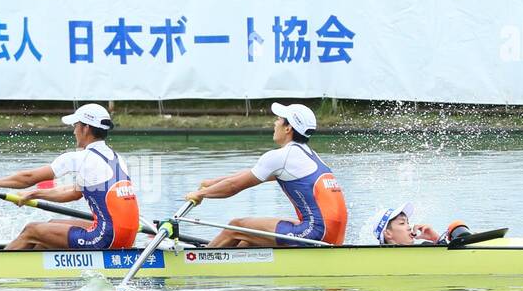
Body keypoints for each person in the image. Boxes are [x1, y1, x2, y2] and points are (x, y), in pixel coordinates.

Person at [0, 103, 140, 251]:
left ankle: (1, 266)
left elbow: (29, 177)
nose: (73, 131)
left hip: (106, 238)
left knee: (31, 230)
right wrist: (34, 194)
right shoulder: (117, 158)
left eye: (75, 126)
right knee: (51, 226)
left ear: (85, 128)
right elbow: (73, 193)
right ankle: (39, 268)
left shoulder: (81, 157)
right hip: (126, 237)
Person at [183, 103, 347, 248]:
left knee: (235, 227)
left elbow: (234, 186)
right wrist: (211, 182)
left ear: (288, 128)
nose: (274, 123)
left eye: (278, 119)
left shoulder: (282, 156)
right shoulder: (308, 155)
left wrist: (200, 194)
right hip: (333, 234)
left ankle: (196, 264)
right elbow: (248, 174)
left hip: (316, 233)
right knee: (246, 239)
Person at [374, 204, 471, 245]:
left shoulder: (426, 246)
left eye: (408, 223)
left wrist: (435, 239)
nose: (409, 227)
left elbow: (449, 257)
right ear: (388, 234)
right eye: (402, 223)